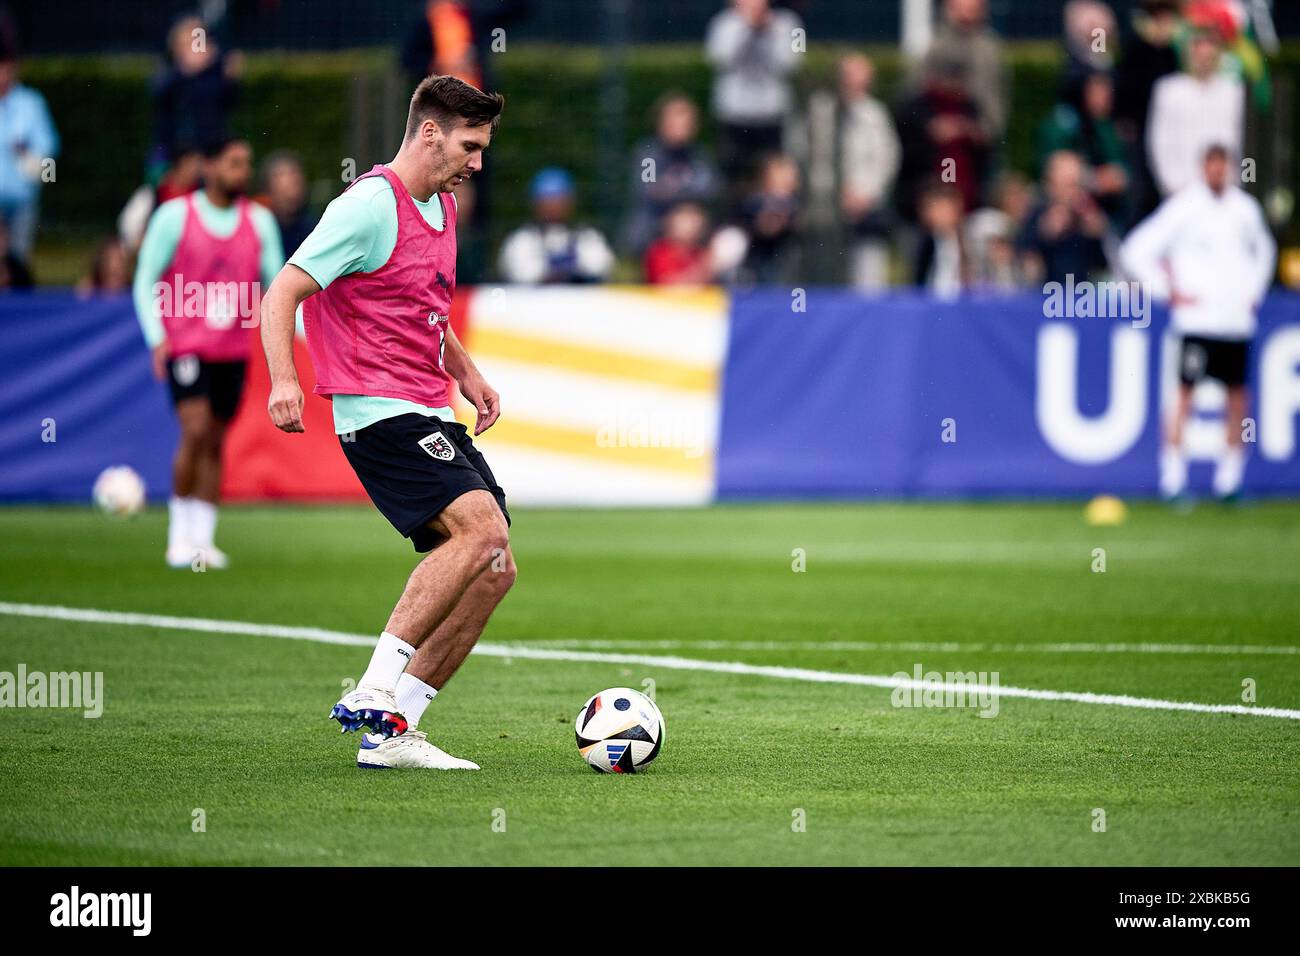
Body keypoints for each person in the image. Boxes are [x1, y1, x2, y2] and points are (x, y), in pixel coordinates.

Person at [259, 75, 512, 771]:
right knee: (482, 527)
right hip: (377, 411)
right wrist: (286, 379)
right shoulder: (370, 205)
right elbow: (284, 291)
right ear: (429, 132)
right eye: (471, 145)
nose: (478, 162)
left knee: (495, 565)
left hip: (428, 405)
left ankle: (393, 732)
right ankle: (374, 686)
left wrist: (465, 371)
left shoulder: (443, 207)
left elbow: (422, 308)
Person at [132, 137, 284, 569]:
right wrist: (156, 336)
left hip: (232, 349)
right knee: (195, 430)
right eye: (234, 163)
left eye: (247, 163)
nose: (243, 172)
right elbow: (146, 279)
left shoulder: (259, 221)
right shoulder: (176, 216)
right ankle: (177, 536)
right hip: (186, 346)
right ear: (211, 166)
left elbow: (278, 282)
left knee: (217, 440)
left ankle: (203, 540)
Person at [1120, 144, 1276, 503]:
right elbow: (1136, 249)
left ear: (1232, 169)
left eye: (1224, 166)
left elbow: (1264, 252)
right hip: (1196, 321)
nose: (1217, 173)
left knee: (1237, 398)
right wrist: (1166, 290)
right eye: (1212, 166)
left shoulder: (1244, 209)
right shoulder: (1184, 208)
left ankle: (1229, 480)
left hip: (1235, 323)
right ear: (1203, 168)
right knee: (1185, 396)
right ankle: (1173, 479)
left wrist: (1252, 293)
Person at [705, 0, 803, 205]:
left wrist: (770, 31)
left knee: (775, 177)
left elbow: (794, 63)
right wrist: (747, 28)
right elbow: (719, 59)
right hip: (734, 116)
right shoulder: (723, 24)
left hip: (771, 117)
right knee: (733, 179)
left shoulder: (789, 24)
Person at [1146, 16, 1244, 197]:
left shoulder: (1233, 92)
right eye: (1198, 47)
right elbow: (1159, 143)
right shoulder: (1168, 90)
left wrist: (1233, 183)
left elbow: (1239, 141)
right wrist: (1173, 187)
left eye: (1209, 46)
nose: (1204, 54)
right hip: (1179, 191)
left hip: (1224, 190)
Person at [622, 92, 720, 256]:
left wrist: (673, 188)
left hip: (694, 227)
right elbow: (648, 190)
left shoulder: (699, 155)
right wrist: (685, 195)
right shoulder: (648, 154)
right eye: (676, 120)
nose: (683, 126)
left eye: (688, 121)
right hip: (652, 228)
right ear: (661, 122)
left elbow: (712, 189)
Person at [497, 167, 613, 284]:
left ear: (570, 202)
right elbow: (522, 274)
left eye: (559, 201)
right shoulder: (521, 240)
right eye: (547, 201)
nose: (553, 207)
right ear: (535, 204)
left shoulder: (588, 237)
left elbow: (600, 268)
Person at [0, 39, 59, 264]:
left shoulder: (31, 102)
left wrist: (37, 173)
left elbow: (49, 149)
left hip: (23, 199)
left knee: (18, 261)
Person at [1018, 150, 1108, 287]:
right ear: (1051, 186)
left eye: (1076, 184)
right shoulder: (1037, 214)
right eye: (1066, 185)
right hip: (1046, 298)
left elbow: (1105, 265)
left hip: (1084, 297)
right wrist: (1045, 233)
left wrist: (1098, 235)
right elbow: (1023, 256)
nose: (1072, 191)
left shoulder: (1089, 215)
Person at [259, 150, 316, 259]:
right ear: (267, 188)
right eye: (281, 175)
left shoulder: (315, 229)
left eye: (295, 173)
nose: (292, 179)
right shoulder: (258, 230)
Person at [644, 202, 715, 285]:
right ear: (671, 225)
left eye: (694, 223)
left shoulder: (701, 253)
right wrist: (706, 268)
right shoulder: (659, 252)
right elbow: (670, 286)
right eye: (685, 222)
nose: (689, 228)